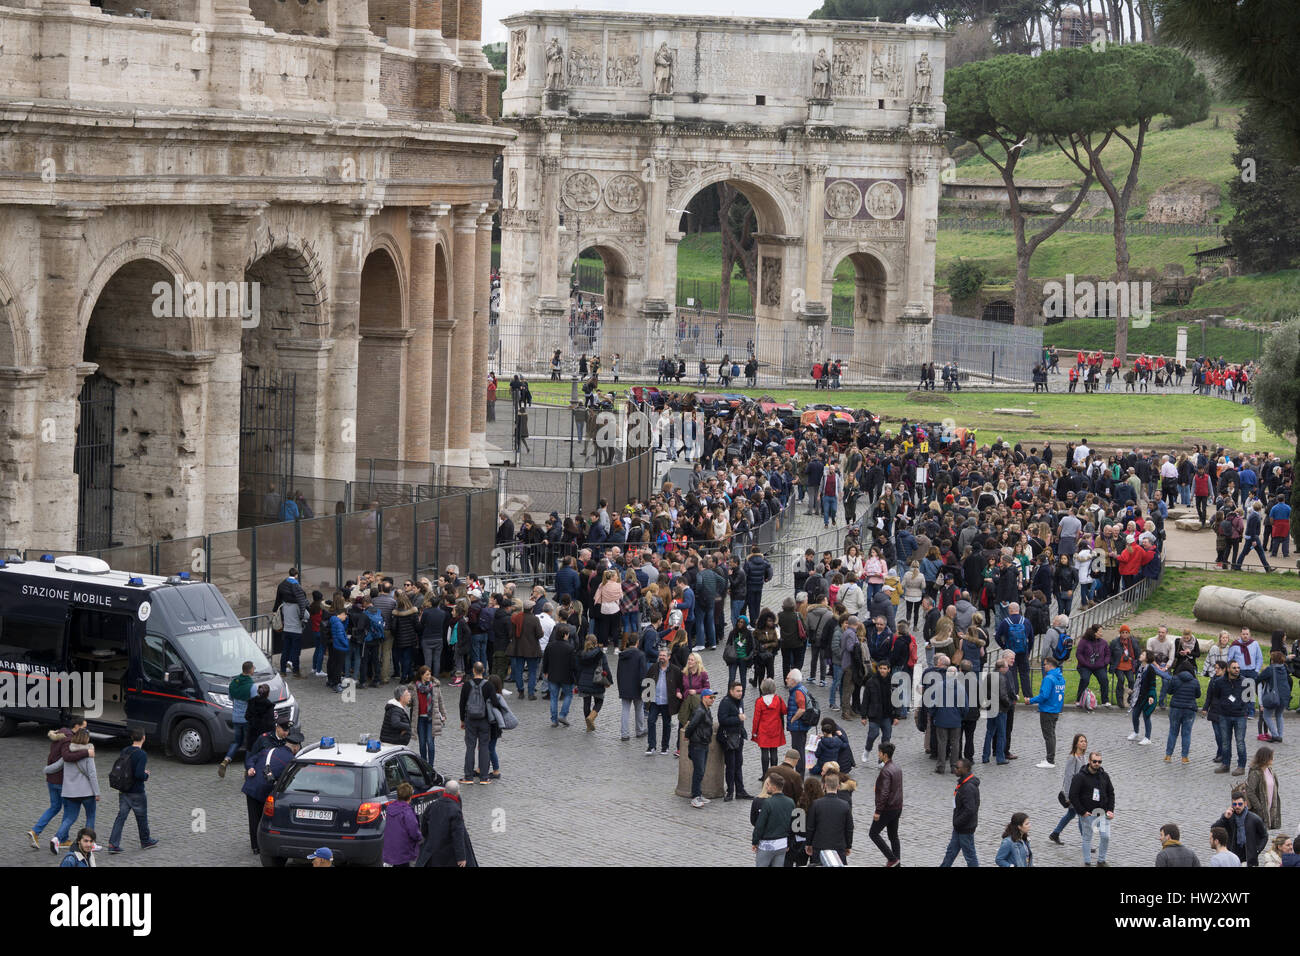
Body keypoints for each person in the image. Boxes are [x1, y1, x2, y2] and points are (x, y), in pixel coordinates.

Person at [241, 729, 303, 855]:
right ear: (296, 748)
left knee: (254, 818)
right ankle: (267, 843)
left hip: (251, 787)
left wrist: (251, 767)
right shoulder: (291, 761)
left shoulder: (270, 750)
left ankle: (255, 847)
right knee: (267, 819)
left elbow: (251, 759)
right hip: (265, 791)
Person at [28, 719, 84, 850]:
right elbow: (67, 757)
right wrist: (87, 752)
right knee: (68, 810)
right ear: (76, 726)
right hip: (61, 781)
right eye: (83, 727)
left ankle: (35, 831)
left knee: (54, 807)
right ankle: (62, 838)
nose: (85, 730)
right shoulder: (69, 739)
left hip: (51, 780)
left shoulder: (59, 734)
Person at [106, 728, 156, 853]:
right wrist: (146, 775)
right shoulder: (141, 754)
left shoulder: (125, 750)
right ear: (143, 738)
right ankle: (145, 841)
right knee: (141, 817)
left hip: (123, 789)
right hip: (136, 791)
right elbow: (139, 775)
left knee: (121, 817)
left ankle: (113, 844)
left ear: (132, 738)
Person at [51, 729, 98, 855]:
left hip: (70, 792)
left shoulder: (67, 752)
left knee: (70, 817)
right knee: (90, 816)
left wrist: (46, 770)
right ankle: (90, 843)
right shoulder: (89, 752)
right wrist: (97, 792)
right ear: (86, 739)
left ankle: (56, 838)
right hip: (87, 792)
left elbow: (56, 766)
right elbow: (92, 774)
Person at [1069, 751, 1114, 867]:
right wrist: (1082, 812)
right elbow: (1073, 796)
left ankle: (1101, 860)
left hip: (1102, 813)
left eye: (1099, 762)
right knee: (1087, 838)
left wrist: (1110, 810)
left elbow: (1111, 793)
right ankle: (1087, 862)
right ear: (1089, 761)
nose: (1097, 764)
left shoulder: (1104, 776)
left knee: (1105, 836)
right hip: (1087, 814)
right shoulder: (1080, 777)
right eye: (1094, 761)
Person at [459, 662, 502, 784]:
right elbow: (495, 702)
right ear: (483, 670)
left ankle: (468, 777)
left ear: (473, 670)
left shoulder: (467, 685)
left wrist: (462, 720)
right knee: (484, 747)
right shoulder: (489, 685)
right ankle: (484, 777)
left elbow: (462, 704)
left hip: (470, 720)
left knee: (470, 747)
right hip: (484, 720)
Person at [416, 781, 475, 867]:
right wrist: (461, 857)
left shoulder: (432, 806)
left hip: (433, 849)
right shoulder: (456, 810)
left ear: (444, 791)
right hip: (448, 852)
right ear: (457, 793)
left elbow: (424, 826)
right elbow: (458, 835)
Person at [1023, 656, 1065, 768]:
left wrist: (1030, 701)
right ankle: (1050, 758)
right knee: (1052, 735)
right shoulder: (1060, 677)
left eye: (1045, 664)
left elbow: (1044, 696)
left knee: (1048, 736)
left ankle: (1050, 760)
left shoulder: (1048, 678)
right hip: (1055, 710)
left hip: (1047, 710)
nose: (1044, 666)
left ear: (1051, 665)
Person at [1048, 733, 1088, 846]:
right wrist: (1068, 796)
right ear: (1076, 744)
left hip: (1080, 793)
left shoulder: (1083, 757)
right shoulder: (1072, 758)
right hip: (1074, 794)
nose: (1084, 743)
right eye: (1081, 741)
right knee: (1082, 817)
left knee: (1071, 814)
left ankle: (1055, 833)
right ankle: (1086, 842)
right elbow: (1068, 777)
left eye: (1085, 741)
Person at [940, 758, 980, 867]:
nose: (954, 770)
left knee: (970, 856)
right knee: (950, 853)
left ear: (966, 769)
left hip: (965, 828)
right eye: (954, 767)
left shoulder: (968, 788)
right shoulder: (963, 783)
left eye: (957, 768)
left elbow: (970, 810)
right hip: (959, 827)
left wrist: (957, 821)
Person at [751, 771, 796, 867]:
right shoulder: (790, 802)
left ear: (774, 787)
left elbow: (760, 824)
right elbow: (792, 825)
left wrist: (755, 841)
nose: (766, 786)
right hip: (782, 844)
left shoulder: (768, 803)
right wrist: (789, 842)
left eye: (768, 785)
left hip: (767, 844)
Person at [1213, 788, 1268, 866]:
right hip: (1232, 858)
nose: (1237, 806)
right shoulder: (1229, 817)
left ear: (1245, 803)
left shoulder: (1254, 819)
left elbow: (1264, 836)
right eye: (1235, 804)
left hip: (1249, 860)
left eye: (1240, 804)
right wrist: (1225, 818)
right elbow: (1214, 829)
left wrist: (1257, 850)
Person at [807, 772, 853, 865]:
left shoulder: (816, 804)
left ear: (824, 786)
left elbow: (810, 827)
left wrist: (808, 843)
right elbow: (849, 828)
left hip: (819, 845)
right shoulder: (845, 805)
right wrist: (848, 845)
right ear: (838, 786)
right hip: (838, 846)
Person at [717, 681, 752, 801]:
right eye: (738, 691)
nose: (740, 693)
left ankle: (740, 790)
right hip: (728, 738)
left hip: (738, 736)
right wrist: (737, 718)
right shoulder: (725, 702)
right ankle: (730, 791)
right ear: (731, 691)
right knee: (731, 765)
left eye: (741, 691)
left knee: (738, 764)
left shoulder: (739, 701)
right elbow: (722, 720)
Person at [870, 741, 903, 867]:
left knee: (873, 833)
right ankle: (897, 862)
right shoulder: (897, 767)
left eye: (879, 752)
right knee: (893, 836)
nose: (878, 754)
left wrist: (878, 811)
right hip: (897, 807)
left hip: (887, 809)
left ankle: (892, 859)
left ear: (884, 755)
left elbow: (884, 793)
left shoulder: (885, 771)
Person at [1163, 658, 1201, 763]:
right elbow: (1198, 695)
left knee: (1173, 732)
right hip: (1190, 709)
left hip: (1175, 708)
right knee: (1186, 733)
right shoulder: (1195, 681)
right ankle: (1184, 757)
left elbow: (1169, 691)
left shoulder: (1175, 679)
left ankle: (1168, 756)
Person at [686, 687, 717, 808]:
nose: (713, 699)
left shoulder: (706, 710)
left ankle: (698, 793)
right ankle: (695, 796)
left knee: (701, 770)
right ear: (704, 698)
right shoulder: (700, 711)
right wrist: (687, 736)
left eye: (714, 697)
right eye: (711, 697)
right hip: (697, 744)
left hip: (703, 743)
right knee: (699, 770)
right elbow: (692, 725)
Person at [542, 623, 578, 728]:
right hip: (566, 676)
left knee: (553, 697)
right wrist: (576, 677)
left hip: (553, 675)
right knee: (568, 695)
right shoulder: (570, 648)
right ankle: (562, 715)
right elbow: (573, 665)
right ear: (565, 635)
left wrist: (545, 671)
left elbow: (546, 661)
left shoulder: (550, 646)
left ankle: (554, 720)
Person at [751, 677, 787, 779]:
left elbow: (756, 719)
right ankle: (774, 773)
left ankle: (765, 774)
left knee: (764, 752)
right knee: (774, 751)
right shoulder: (778, 699)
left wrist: (754, 732)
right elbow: (784, 711)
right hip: (776, 728)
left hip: (763, 729)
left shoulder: (760, 701)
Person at [383, 781, 423, 867]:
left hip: (390, 848)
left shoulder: (390, 808)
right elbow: (413, 831)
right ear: (410, 797)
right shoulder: (407, 812)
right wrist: (419, 837)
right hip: (403, 851)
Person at [616, 633, 648, 742]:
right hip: (637, 686)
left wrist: (620, 686)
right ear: (637, 642)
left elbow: (618, 672)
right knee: (639, 709)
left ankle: (624, 734)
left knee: (625, 710)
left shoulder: (622, 655)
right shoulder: (640, 655)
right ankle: (640, 730)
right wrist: (644, 689)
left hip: (625, 686)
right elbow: (642, 673)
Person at [414, 666, 446, 766]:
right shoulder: (414, 687)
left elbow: (440, 701)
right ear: (421, 675)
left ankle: (430, 766)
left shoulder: (435, 686)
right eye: (427, 674)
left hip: (431, 718)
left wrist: (443, 714)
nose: (429, 676)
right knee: (422, 744)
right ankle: (424, 765)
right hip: (420, 719)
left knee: (430, 743)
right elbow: (411, 703)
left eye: (430, 674)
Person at [1245, 745, 1283, 830]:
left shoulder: (1270, 771)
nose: (1273, 758)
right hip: (1259, 811)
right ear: (1265, 758)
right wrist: (1259, 807)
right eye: (1271, 756)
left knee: (1264, 833)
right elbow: (1250, 792)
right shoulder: (1255, 773)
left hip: (1269, 809)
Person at [785, 668, 815, 765]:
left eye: (788, 678)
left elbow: (802, 709)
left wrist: (792, 720)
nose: (786, 680)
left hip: (798, 727)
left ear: (793, 680)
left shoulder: (797, 692)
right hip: (801, 726)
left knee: (798, 751)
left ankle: (799, 775)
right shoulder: (801, 689)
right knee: (799, 749)